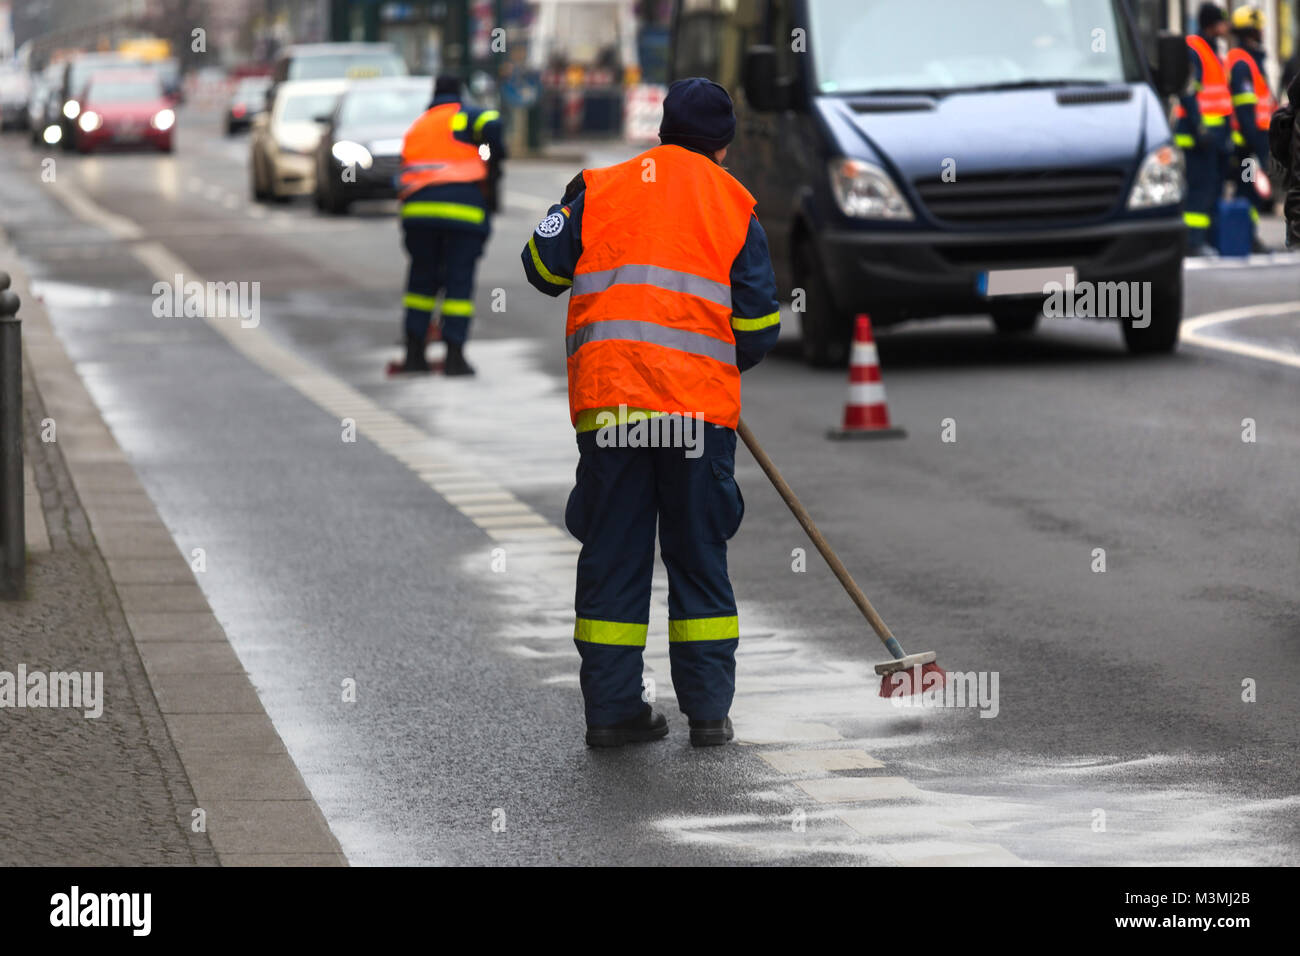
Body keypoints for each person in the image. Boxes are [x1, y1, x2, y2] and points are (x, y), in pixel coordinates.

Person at [520, 78, 781, 748]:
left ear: (662, 127)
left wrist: (570, 205)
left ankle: (612, 714)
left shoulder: (602, 186)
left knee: (613, 556)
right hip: (695, 416)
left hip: (612, 410)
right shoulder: (736, 205)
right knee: (698, 555)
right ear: (725, 143)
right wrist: (713, 366)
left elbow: (540, 269)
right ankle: (708, 715)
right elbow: (757, 326)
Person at [395, 75, 503, 376]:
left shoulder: (418, 126)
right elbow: (492, 122)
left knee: (420, 283)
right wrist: (494, 164)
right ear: (459, 94)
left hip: (418, 213)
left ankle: (413, 353)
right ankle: (454, 356)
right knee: (458, 283)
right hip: (462, 213)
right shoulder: (461, 115)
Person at [1175, 3, 1233, 254]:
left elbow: (1221, 99)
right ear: (1211, 24)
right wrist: (1200, 128)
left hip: (1215, 137)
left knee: (1211, 188)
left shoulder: (1213, 51)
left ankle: (1208, 239)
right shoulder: (1194, 49)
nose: (1226, 26)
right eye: (1222, 21)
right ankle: (1194, 243)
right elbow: (1188, 92)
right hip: (1197, 136)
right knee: (1199, 189)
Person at [1226, 5, 1277, 251]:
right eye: (1259, 29)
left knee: (1250, 192)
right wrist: (1259, 147)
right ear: (1250, 32)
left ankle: (1248, 237)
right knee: (1246, 191)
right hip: (1247, 146)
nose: (1263, 32)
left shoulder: (1251, 61)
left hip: (1253, 142)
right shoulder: (1243, 64)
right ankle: (1246, 239)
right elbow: (1246, 114)